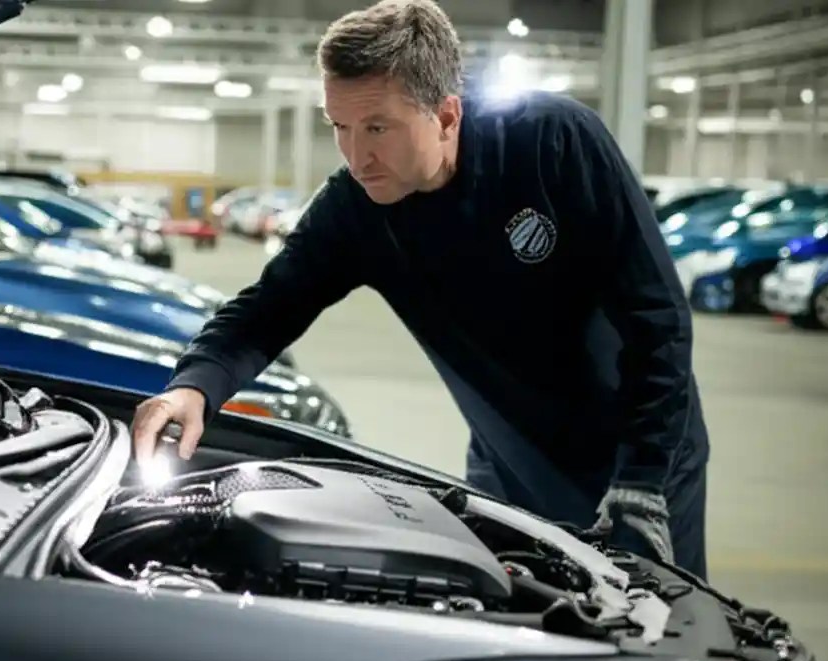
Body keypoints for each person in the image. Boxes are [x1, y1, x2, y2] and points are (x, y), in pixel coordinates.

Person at [131, 0, 710, 579]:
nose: (357, 157)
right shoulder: (356, 210)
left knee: (653, 631)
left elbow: (656, 317)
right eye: (340, 128)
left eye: (377, 128)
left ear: (447, 117)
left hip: (638, 457)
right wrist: (195, 386)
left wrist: (642, 476)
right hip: (508, 461)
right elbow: (266, 310)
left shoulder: (552, 144)